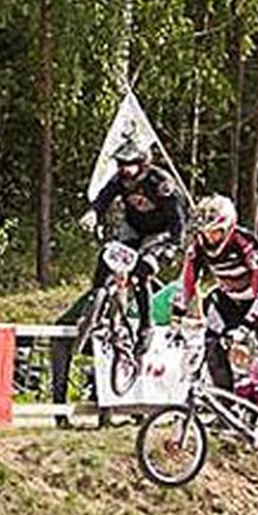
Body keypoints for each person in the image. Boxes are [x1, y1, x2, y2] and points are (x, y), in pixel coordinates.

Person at [174, 195, 258, 440]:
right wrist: (178, 315)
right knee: (212, 348)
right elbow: (188, 281)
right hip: (228, 301)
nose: (208, 239)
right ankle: (227, 412)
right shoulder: (198, 246)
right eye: (204, 233)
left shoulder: (246, 244)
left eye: (214, 232)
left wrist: (247, 328)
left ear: (228, 227)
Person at [80, 139, 185, 355]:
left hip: (160, 233)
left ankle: (147, 326)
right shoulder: (120, 179)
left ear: (142, 164)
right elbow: (104, 197)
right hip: (134, 229)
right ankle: (94, 304)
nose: (123, 170)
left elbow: (178, 219)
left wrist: (173, 246)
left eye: (128, 165)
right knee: (106, 255)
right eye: (120, 165)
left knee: (142, 271)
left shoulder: (161, 183)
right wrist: (93, 213)